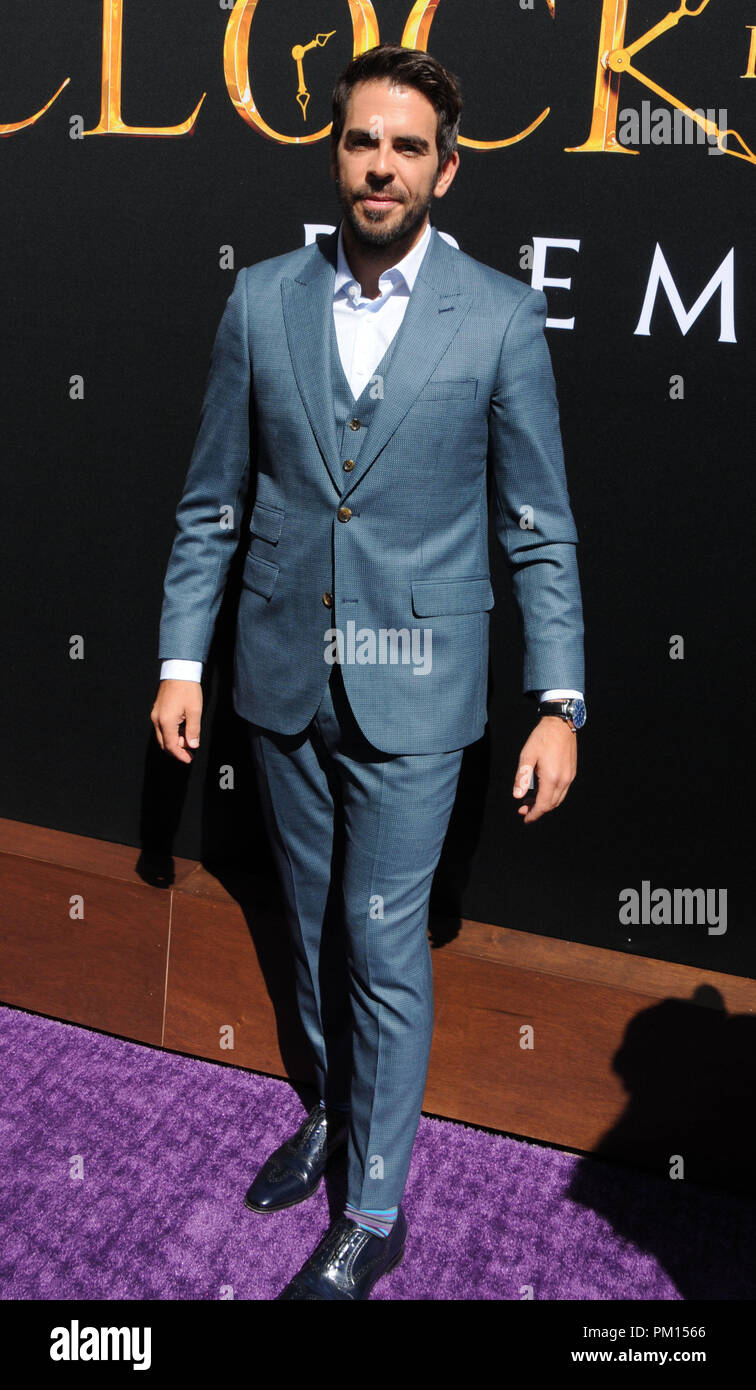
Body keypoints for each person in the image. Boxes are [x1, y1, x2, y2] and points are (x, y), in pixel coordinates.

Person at [151, 43, 586, 1301]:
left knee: (381, 940)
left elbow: (538, 527)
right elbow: (211, 502)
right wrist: (184, 657)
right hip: (283, 677)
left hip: (422, 691)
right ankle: (337, 1113)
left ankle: (377, 1203)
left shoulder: (499, 316)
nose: (379, 164)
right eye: (360, 141)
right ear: (334, 153)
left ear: (444, 169)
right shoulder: (262, 301)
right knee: (309, 921)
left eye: (405, 146)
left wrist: (558, 701)